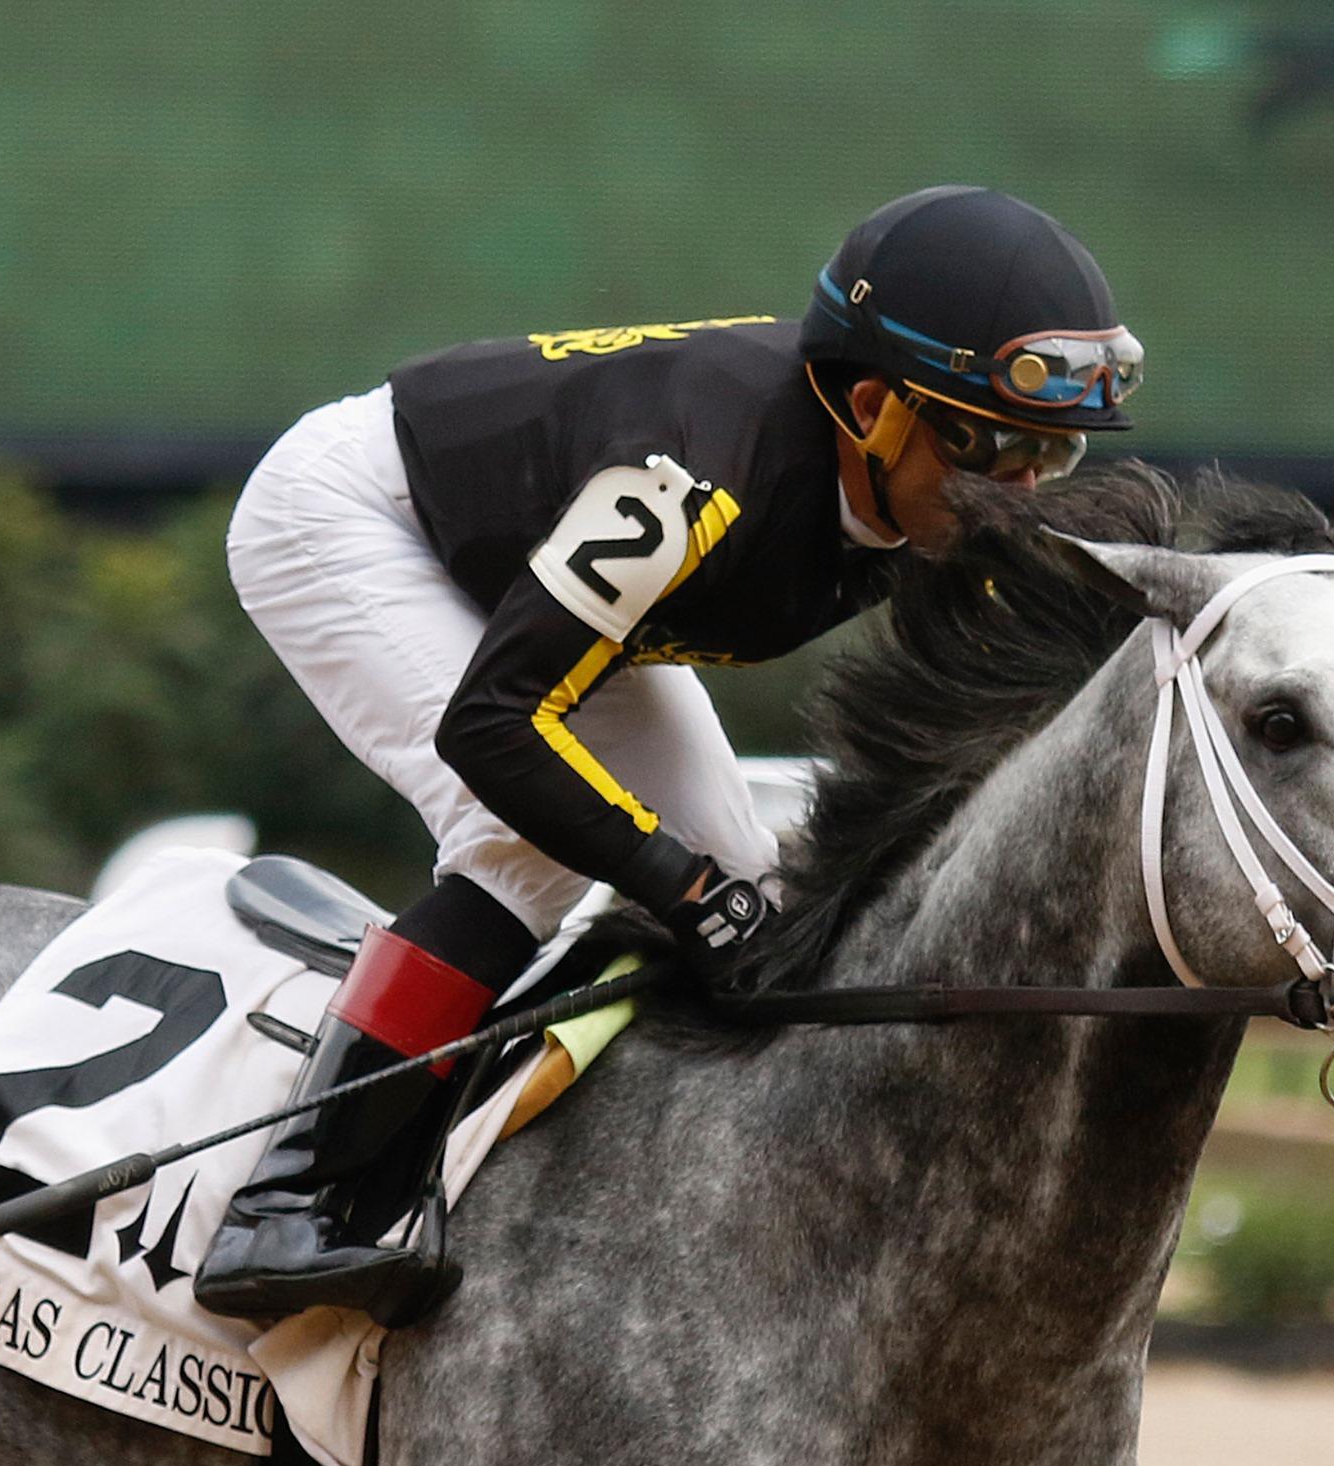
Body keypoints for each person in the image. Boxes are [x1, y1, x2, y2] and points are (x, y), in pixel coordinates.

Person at [190, 184, 1142, 1324]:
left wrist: (707, 885)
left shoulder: (911, 481)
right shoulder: (690, 480)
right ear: (874, 406)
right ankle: (293, 1201)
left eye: (1051, 451)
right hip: (357, 519)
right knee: (523, 845)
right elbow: (491, 722)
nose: (1019, 491)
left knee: (751, 884)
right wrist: (670, 886)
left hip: (522, 550)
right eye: (989, 445)